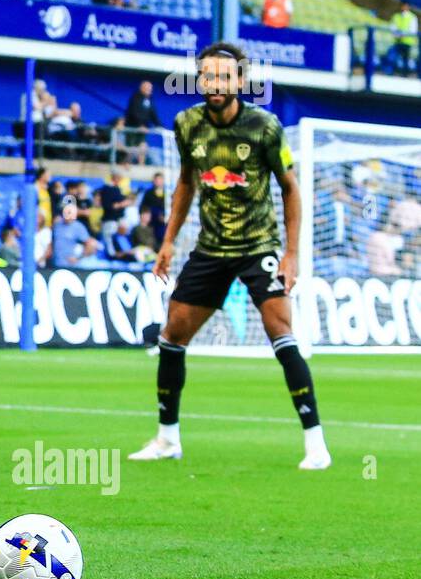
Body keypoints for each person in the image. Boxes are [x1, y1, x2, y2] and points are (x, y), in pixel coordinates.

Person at [131, 41, 330, 471]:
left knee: (282, 332)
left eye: (224, 76)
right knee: (172, 336)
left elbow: (291, 189)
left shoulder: (264, 126)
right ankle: (167, 439)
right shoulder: (187, 124)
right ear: (199, 79)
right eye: (208, 76)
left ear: (240, 81)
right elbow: (186, 183)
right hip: (210, 249)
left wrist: (291, 254)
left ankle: (316, 443)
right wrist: (167, 242)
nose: (215, 83)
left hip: (259, 246)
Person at [387, 1, 417, 77]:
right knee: (392, 56)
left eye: (405, 6)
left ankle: (405, 75)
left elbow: (413, 31)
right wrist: (397, 34)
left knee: (405, 59)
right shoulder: (396, 16)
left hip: (407, 42)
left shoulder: (412, 17)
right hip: (397, 42)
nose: (404, 8)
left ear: (408, 7)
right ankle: (389, 73)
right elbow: (392, 27)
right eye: (403, 6)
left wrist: (403, 35)